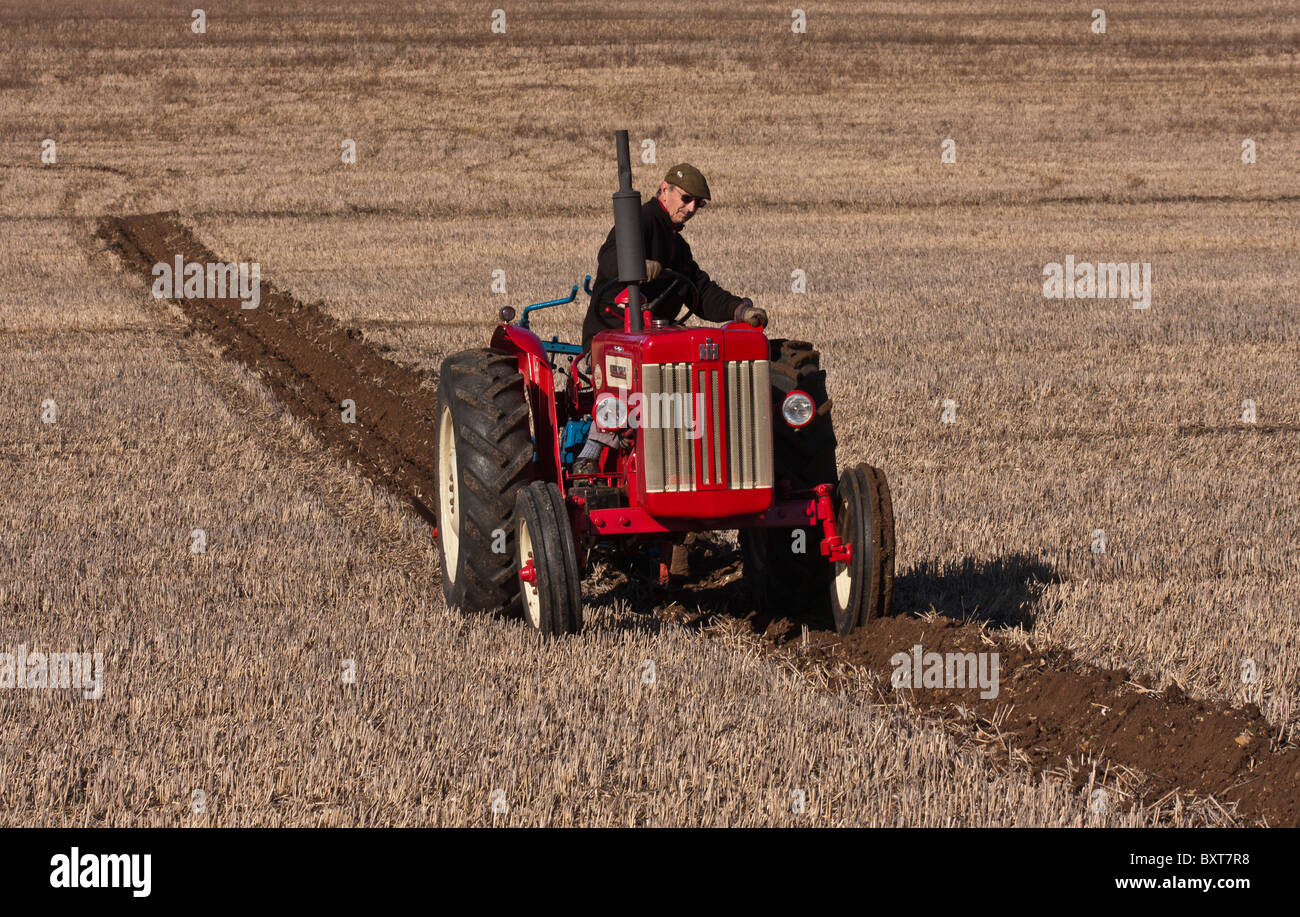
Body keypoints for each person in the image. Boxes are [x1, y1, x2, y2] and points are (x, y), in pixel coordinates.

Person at [573, 163, 767, 476]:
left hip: (654, 342)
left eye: (697, 204)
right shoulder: (641, 220)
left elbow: (700, 292)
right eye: (686, 199)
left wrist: (739, 310)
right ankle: (591, 451)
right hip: (611, 337)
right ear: (665, 189)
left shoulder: (677, 246)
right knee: (627, 373)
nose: (690, 209)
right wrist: (637, 265)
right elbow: (610, 258)